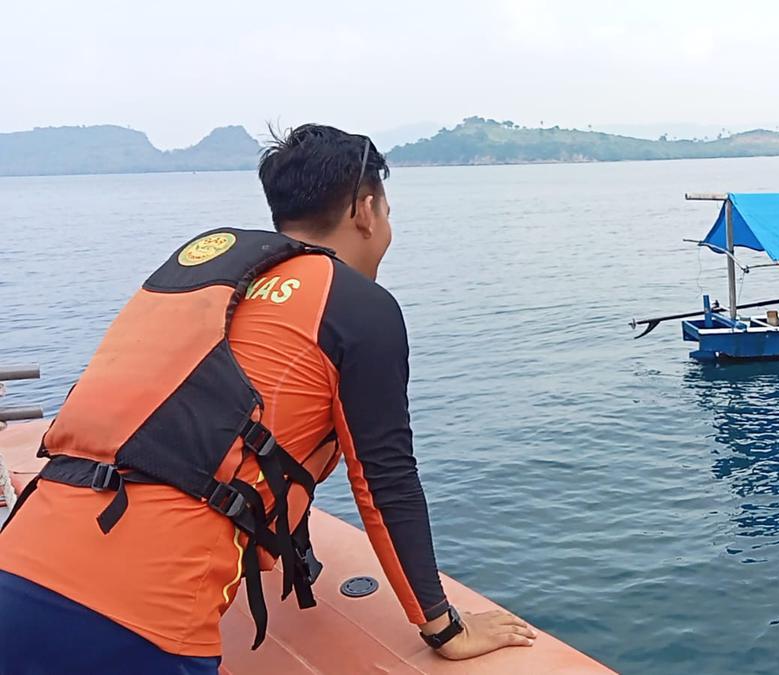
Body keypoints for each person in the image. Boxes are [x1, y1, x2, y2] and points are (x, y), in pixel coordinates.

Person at [0, 124, 535, 674]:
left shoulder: (216, 276)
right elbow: (385, 481)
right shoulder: (359, 305)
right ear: (365, 210)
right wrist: (445, 625)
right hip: (144, 622)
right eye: (388, 212)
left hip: (16, 562)